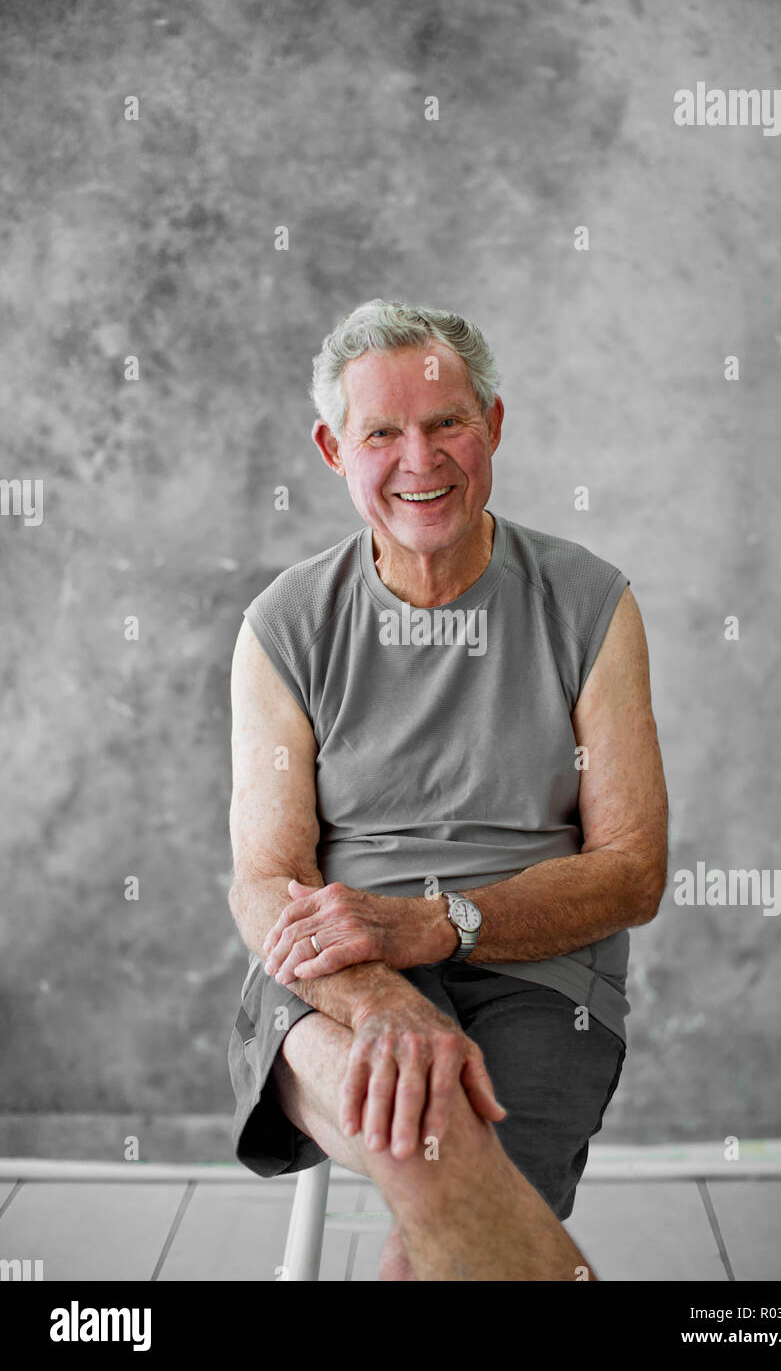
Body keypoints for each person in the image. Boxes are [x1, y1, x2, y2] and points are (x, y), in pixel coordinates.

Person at [227, 298, 668, 1281]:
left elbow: (632, 873)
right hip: (328, 976)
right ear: (333, 450)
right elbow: (262, 881)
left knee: (445, 1188)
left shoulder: (591, 603)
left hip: (545, 976)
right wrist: (386, 999)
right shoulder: (283, 625)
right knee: (422, 1136)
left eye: (445, 422)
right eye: (380, 431)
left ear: (493, 425)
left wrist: (431, 924)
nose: (418, 459)